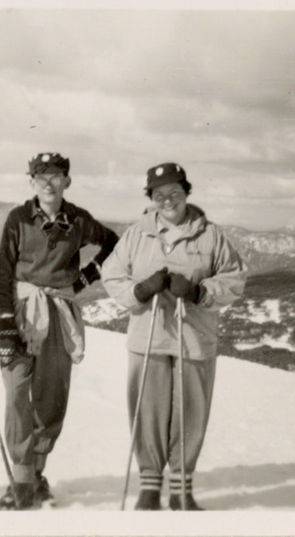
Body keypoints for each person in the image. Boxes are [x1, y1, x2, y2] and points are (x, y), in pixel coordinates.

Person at [101, 162, 247, 511]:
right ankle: (150, 486)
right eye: (159, 194)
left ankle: (181, 488)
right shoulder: (137, 234)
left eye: (175, 193)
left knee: (191, 411)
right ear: (151, 198)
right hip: (147, 337)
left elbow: (234, 279)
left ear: (186, 193)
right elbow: (112, 276)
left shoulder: (210, 235)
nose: (168, 201)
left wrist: (197, 291)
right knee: (147, 409)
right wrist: (140, 290)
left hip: (193, 337)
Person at [0, 152, 119, 510]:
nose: (48, 182)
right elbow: (0, 275)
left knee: (50, 399)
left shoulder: (78, 220)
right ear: (31, 182)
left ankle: (33, 477)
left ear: (67, 181)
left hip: (59, 313)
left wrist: (84, 279)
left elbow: (112, 243)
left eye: (56, 175)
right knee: (17, 392)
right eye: (40, 176)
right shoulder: (18, 219)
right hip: (22, 312)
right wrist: (4, 325)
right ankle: (22, 478)